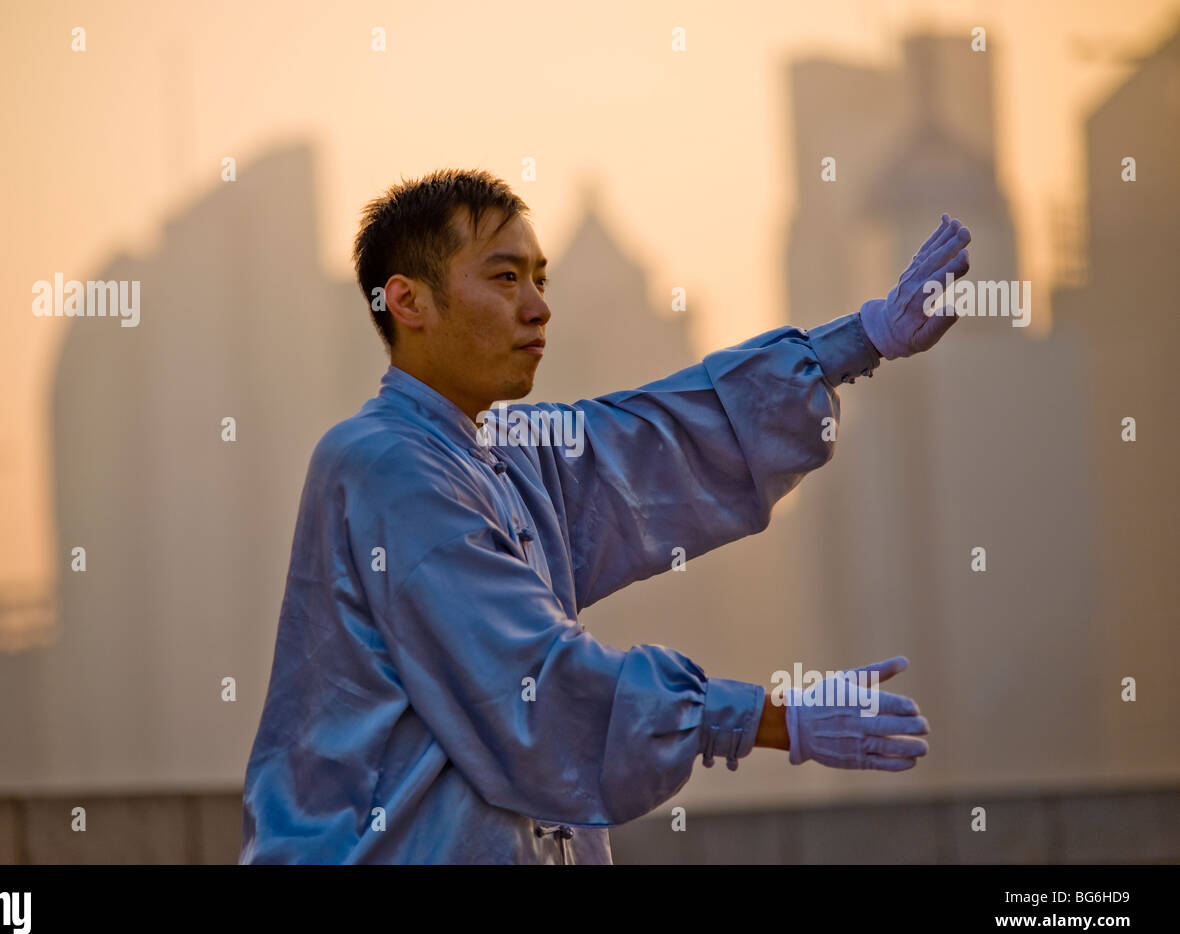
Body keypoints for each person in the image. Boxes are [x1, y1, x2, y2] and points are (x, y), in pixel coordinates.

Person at [239, 168, 971, 864]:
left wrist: (865, 337)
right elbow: (535, 681)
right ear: (408, 302)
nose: (538, 305)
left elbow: (658, 439)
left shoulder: (507, 450)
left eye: (540, 277)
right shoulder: (381, 463)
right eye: (504, 277)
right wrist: (770, 718)